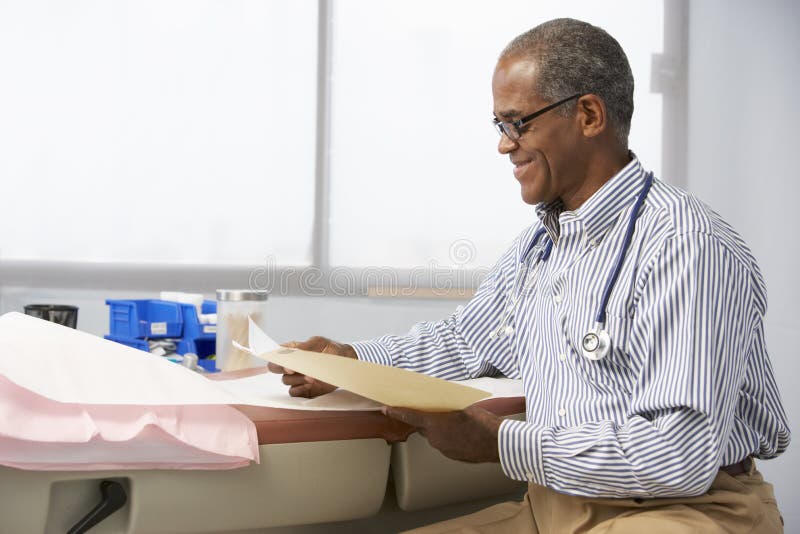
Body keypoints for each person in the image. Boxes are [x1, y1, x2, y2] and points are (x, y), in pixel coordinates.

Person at [270, 18, 790, 533]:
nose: (504, 144)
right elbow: (464, 341)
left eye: (517, 123)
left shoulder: (685, 245)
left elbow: (679, 455)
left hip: (683, 511)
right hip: (552, 508)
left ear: (589, 115)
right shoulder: (540, 246)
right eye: (500, 126)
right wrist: (350, 360)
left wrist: (499, 443)